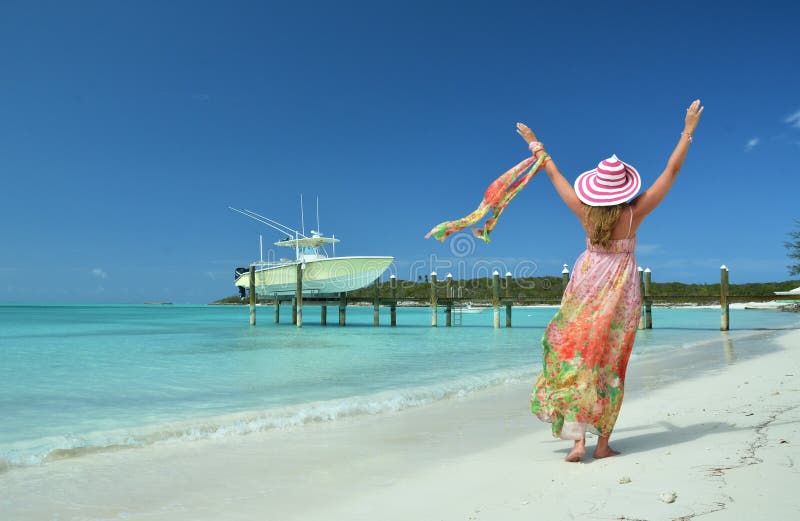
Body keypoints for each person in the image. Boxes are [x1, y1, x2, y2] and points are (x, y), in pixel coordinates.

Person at [517, 100, 704, 462]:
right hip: (621, 291)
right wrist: (688, 129)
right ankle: (602, 444)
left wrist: (534, 142)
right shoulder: (635, 214)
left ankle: (577, 443)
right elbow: (672, 169)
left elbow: (553, 174)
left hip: (586, 285)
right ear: (624, 190)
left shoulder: (584, 212)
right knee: (611, 364)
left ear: (595, 190)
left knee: (579, 359)